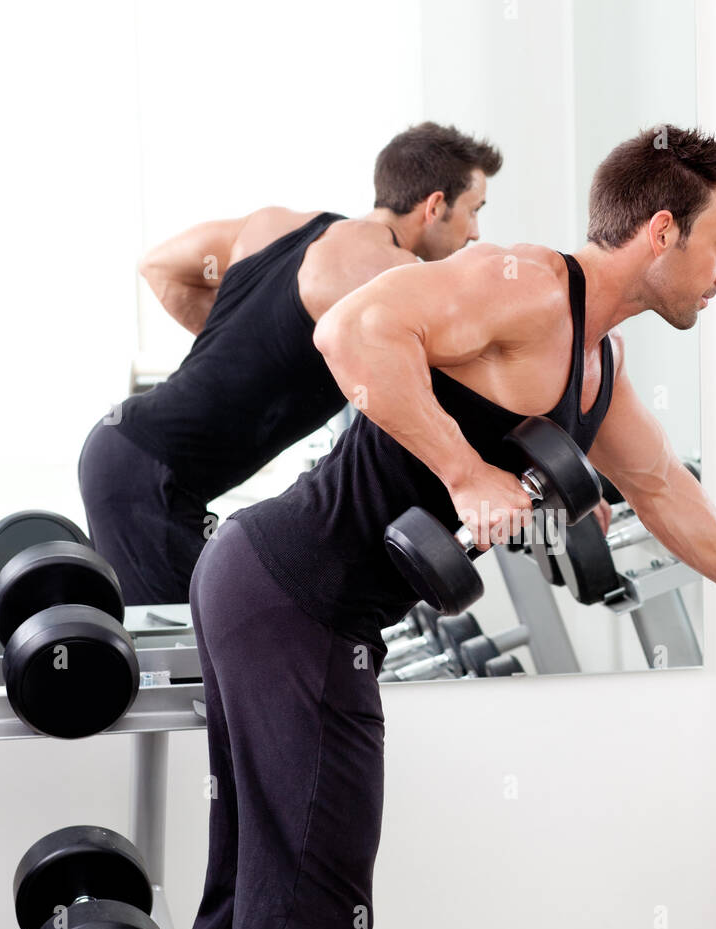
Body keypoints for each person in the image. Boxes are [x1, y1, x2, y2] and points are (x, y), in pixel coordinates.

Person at [144, 126, 716, 929]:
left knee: (253, 891)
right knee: (318, 906)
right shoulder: (520, 282)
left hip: (281, 591)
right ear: (659, 231)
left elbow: (662, 493)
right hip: (293, 592)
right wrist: (464, 471)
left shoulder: (596, 366)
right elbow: (349, 328)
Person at [77, 122, 503, 605]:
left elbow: (160, 264)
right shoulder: (390, 275)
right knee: (189, 653)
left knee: (211, 633)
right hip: (145, 474)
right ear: (434, 205)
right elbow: (480, 370)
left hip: (128, 452)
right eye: (473, 212)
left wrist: (248, 352)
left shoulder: (276, 224)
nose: (475, 233)